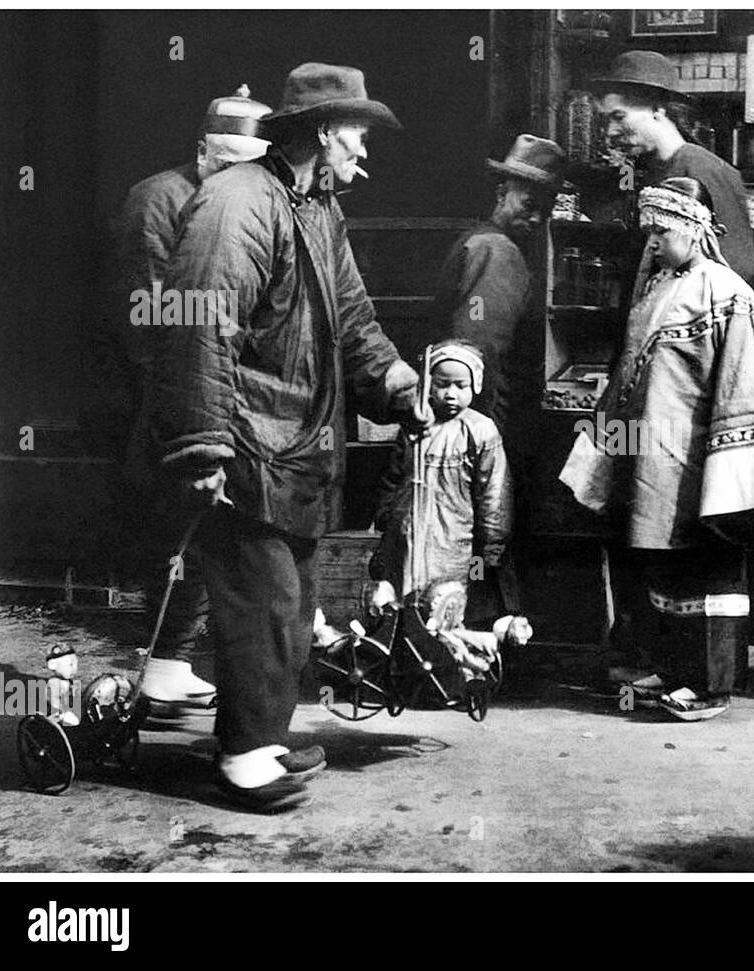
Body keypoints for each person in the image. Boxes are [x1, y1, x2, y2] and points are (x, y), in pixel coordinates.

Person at [144, 63, 420, 810]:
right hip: (248, 441)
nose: (364, 154)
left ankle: (260, 735)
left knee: (290, 606)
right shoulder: (237, 204)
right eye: (358, 136)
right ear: (326, 132)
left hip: (295, 446)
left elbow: (355, 318)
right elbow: (197, 325)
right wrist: (204, 446)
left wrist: (395, 381)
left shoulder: (315, 207)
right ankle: (241, 757)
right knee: (262, 602)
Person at [559, 177, 754, 720]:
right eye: (647, 231)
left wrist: (735, 456)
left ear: (695, 230)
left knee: (708, 565)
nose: (651, 241)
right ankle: (673, 670)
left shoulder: (727, 292)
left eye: (662, 230)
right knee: (661, 565)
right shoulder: (656, 289)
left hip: (702, 459)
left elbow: (747, 378)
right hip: (653, 459)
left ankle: (711, 683)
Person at [114, 85, 273, 709]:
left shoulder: (249, 203)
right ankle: (161, 662)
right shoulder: (158, 200)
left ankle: (172, 660)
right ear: (201, 151)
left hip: (226, 388)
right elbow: (151, 316)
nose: (235, 180)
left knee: (213, 531)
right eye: (224, 164)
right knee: (180, 529)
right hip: (171, 391)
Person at [432, 135, 568, 443]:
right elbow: (479, 352)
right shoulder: (496, 250)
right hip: (488, 424)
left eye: (545, 210)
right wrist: (485, 439)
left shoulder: (482, 240)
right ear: (502, 192)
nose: (536, 218)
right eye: (529, 204)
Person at [591, 51, 754, 289]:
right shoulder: (651, 172)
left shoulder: (704, 169)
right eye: (607, 121)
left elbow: (737, 274)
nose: (610, 132)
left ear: (658, 109)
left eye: (619, 117)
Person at [367, 341, 514, 612]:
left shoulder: (481, 431)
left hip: (455, 541)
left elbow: (494, 494)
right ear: (428, 384)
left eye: (461, 386)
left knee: (445, 605)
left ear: (475, 386)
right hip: (407, 536)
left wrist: (492, 546)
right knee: (402, 601)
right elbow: (393, 478)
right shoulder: (414, 425)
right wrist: (386, 517)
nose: (450, 394)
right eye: (442, 384)